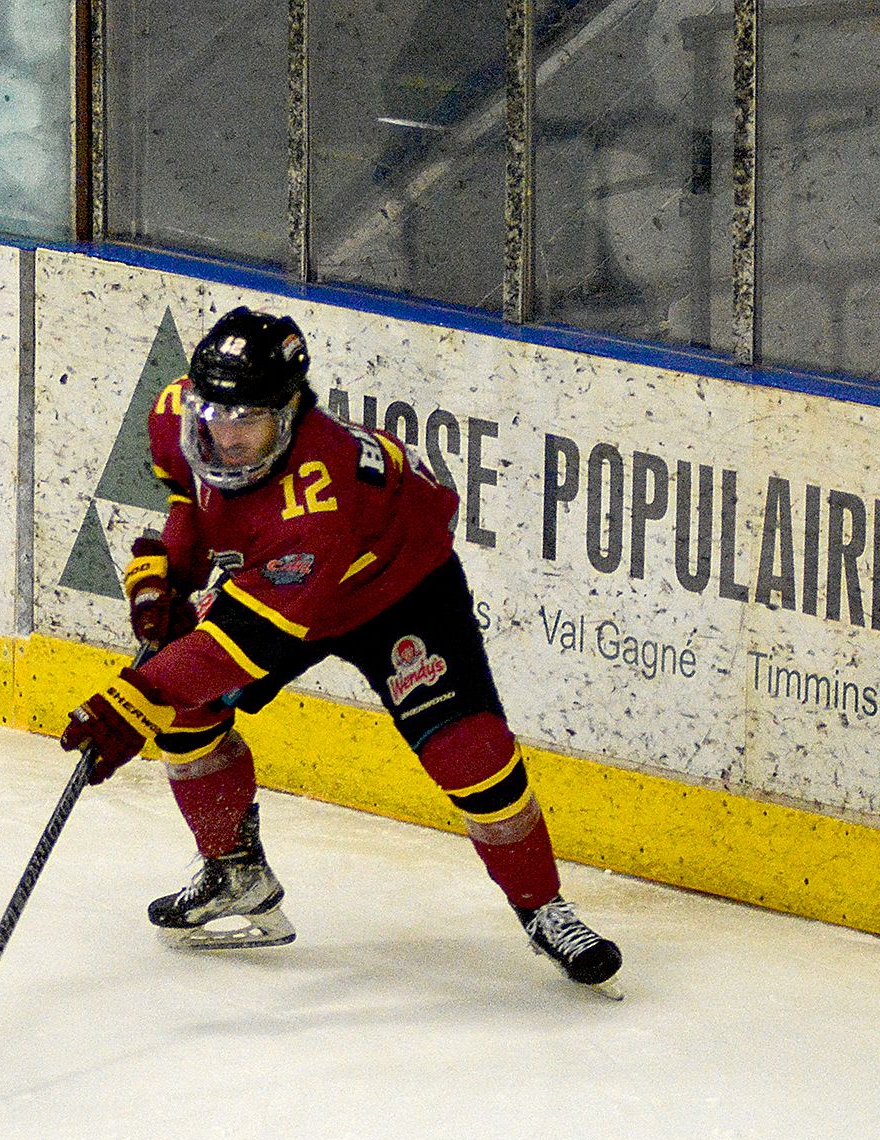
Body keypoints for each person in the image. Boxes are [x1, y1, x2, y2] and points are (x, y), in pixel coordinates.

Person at [61, 305, 623, 988]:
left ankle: (543, 908)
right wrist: (166, 579)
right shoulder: (176, 412)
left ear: (291, 412)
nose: (227, 439)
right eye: (215, 417)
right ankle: (235, 875)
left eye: (250, 422)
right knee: (184, 709)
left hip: (396, 588)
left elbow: (245, 642)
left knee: (470, 756)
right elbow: (190, 498)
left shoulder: (318, 497)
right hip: (277, 583)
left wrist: (131, 702)